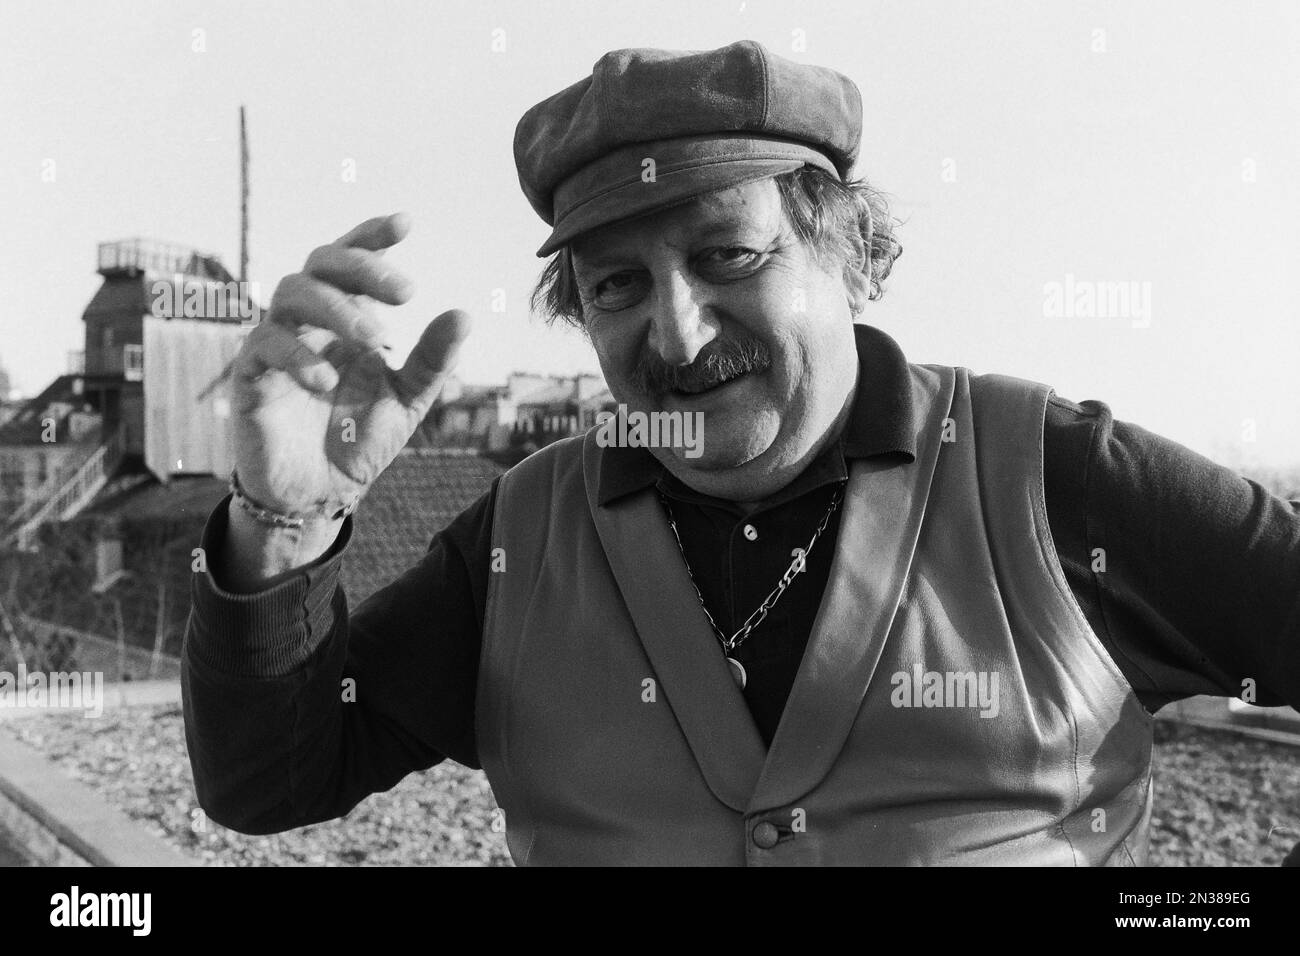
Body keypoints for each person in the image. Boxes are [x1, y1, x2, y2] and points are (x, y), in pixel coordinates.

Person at [182, 40, 1300, 865]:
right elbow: (271, 775)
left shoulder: (1054, 481)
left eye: (726, 254)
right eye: (615, 283)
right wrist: (284, 515)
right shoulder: (523, 536)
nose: (674, 331)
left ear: (850, 253)